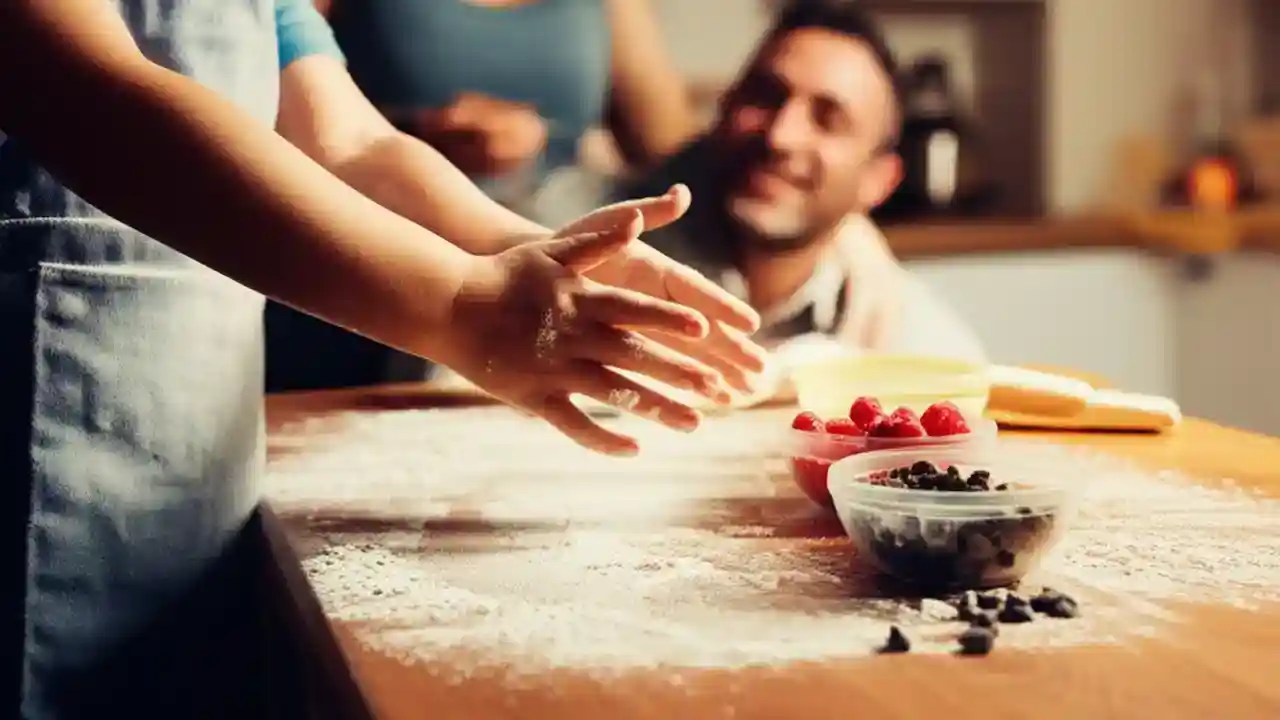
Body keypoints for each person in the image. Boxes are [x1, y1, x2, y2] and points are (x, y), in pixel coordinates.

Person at [0, 1, 764, 716]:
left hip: (197, 421)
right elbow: (84, 86)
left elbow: (348, 142)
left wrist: (519, 248)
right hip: (52, 385)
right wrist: (461, 306)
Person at [265, 0, 697, 391]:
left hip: (542, 277)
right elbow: (303, 117)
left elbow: (672, 152)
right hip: (363, 276)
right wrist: (419, 128)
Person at [535, 0, 986, 362]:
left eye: (828, 120)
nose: (780, 135)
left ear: (879, 181)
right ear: (725, 107)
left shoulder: (898, 324)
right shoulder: (575, 237)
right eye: (765, 97)